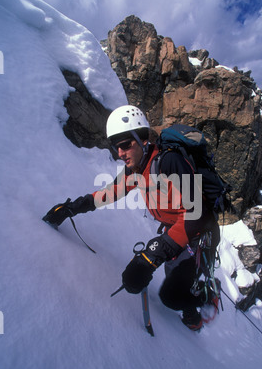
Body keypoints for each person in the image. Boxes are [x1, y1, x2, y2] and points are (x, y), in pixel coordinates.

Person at [43, 105, 220, 331]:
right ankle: (191, 311)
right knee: (173, 275)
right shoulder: (137, 170)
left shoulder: (168, 163)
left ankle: (206, 299)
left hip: (200, 235)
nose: (120, 152)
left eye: (126, 144)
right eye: (116, 146)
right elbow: (108, 193)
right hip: (177, 229)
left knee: (170, 296)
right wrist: (72, 208)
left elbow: (197, 214)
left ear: (143, 139)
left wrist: (154, 254)